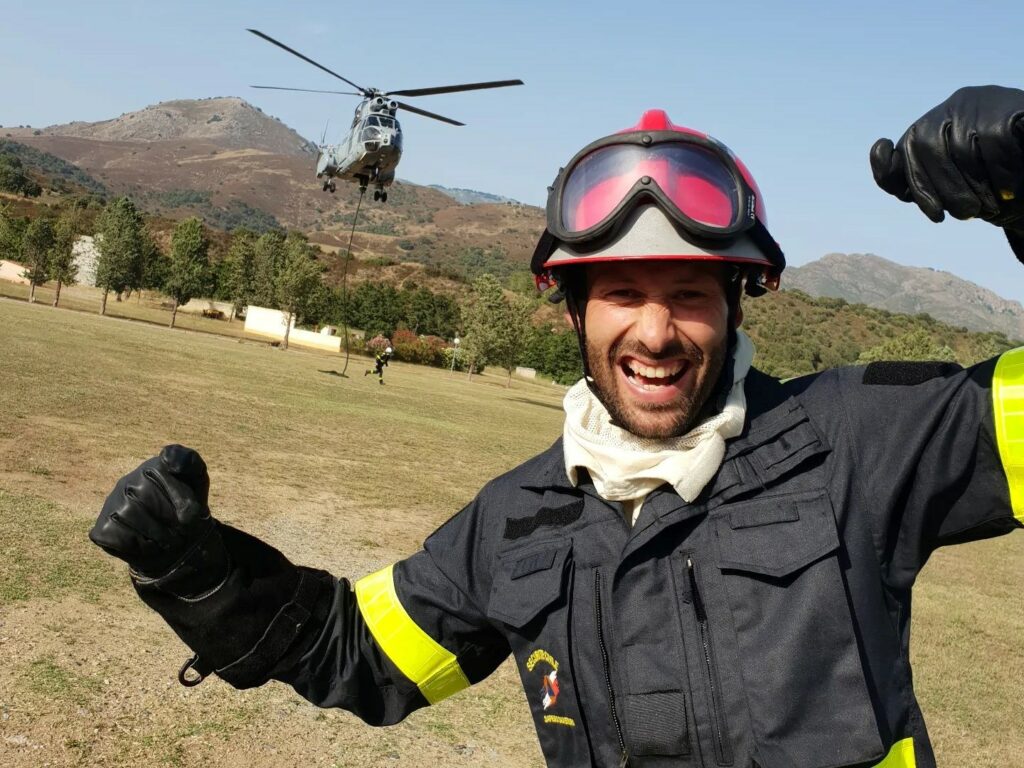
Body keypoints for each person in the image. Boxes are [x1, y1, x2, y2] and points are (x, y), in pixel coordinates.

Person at [90, 86, 1024, 768]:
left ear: (738, 302)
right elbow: (355, 650)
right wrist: (200, 575)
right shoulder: (516, 520)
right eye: (620, 292)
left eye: (689, 294)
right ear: (571, 309)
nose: (655, 333)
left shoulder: (861, 440)